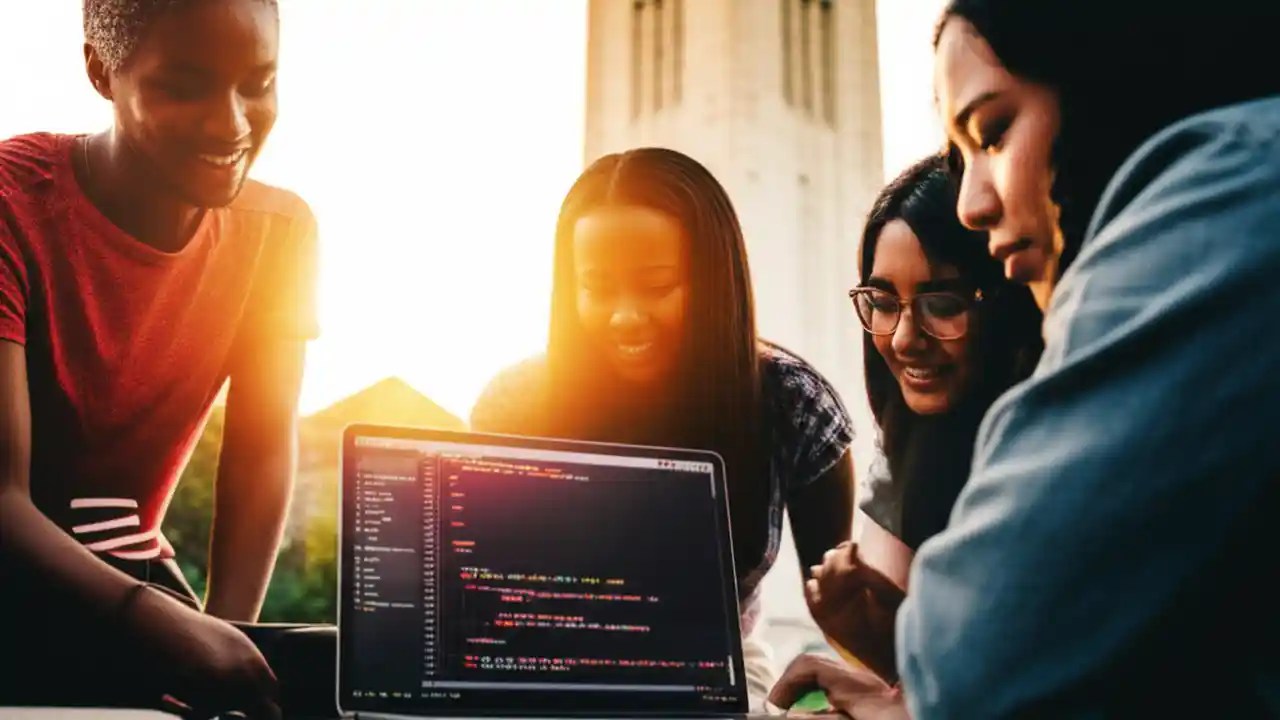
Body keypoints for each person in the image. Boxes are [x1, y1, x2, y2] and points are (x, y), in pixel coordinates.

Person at [772, 1, 1280, 717]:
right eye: (882, 302)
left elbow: (980, 654)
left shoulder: (1219, 198)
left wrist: (920, 665)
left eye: (993, 133)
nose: (975, 204)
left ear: (1102, 80)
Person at [0, 0, 317, 716]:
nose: (230, 123)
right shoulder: (12, 202)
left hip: (131, 583)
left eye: (257, 83)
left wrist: (231, 644)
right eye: (186, 85)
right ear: (100, 71)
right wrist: (160, 618)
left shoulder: (279, 232)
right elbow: (0, 498)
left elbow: (261, 451)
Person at [470, 147, 857, 705]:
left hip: (716, 663)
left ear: (714, 280)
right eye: (598, 288)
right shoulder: (513, 405)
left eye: (655, 286)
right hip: (549, 662)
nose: (625, 316)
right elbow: (487, 600)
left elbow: (841, 614)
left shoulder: (794, 406)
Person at [803, 155, 1041, 682]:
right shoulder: (909, 443)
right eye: (883, 301)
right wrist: (867, 638)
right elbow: (925, 686)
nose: (905, 338)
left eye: (942, 301)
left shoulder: (1055, 446)